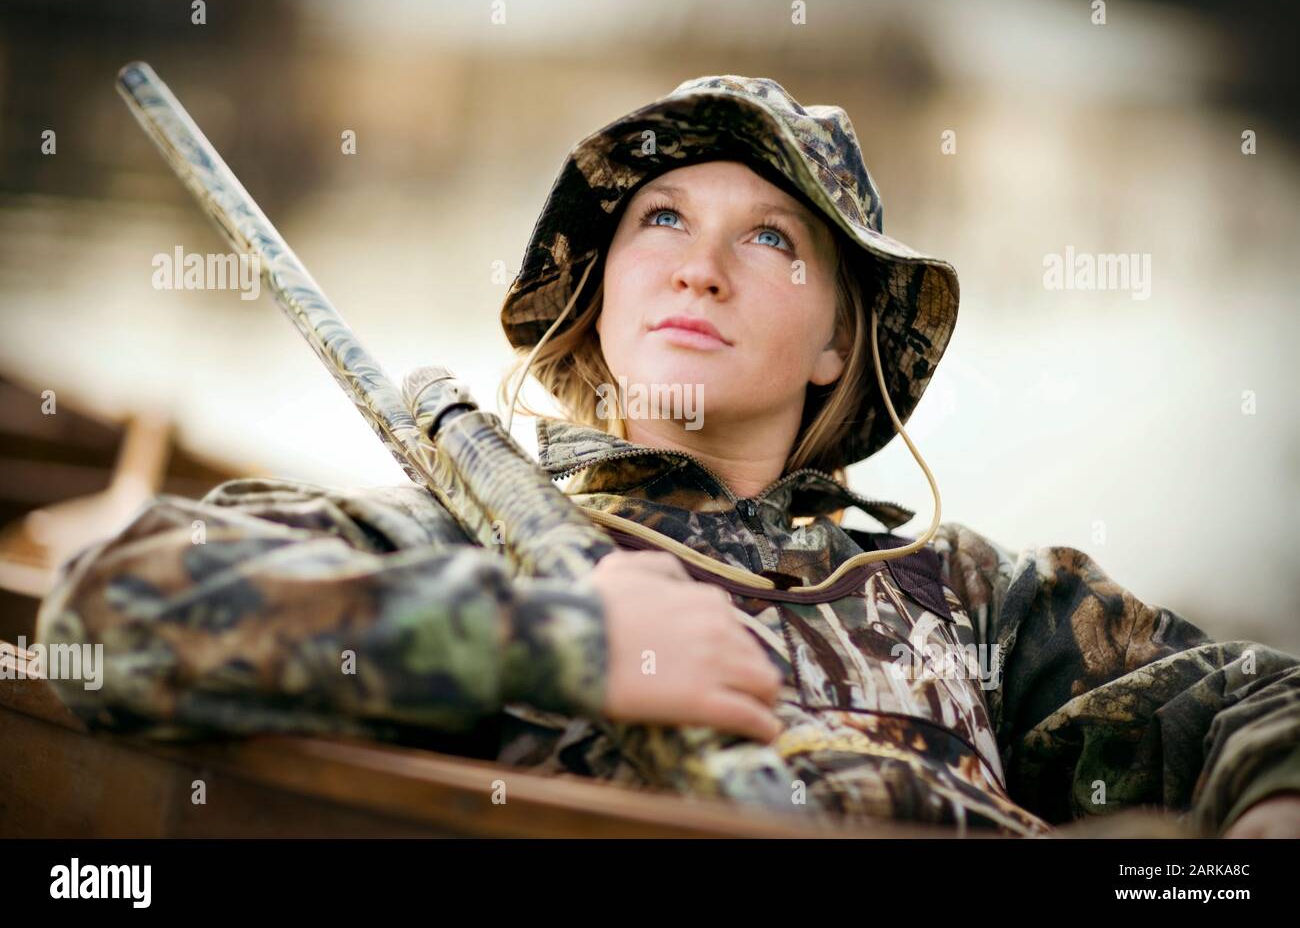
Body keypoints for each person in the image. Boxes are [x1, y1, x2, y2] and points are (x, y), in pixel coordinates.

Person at [36, 75, 1300, 837]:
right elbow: (109, 618)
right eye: (660, 218)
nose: (699, 260)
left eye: (771, 240)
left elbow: (1261, 700)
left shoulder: (975, 595)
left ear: (836, 344)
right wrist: (564, 643)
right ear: (595, 298)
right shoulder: (465, 542)